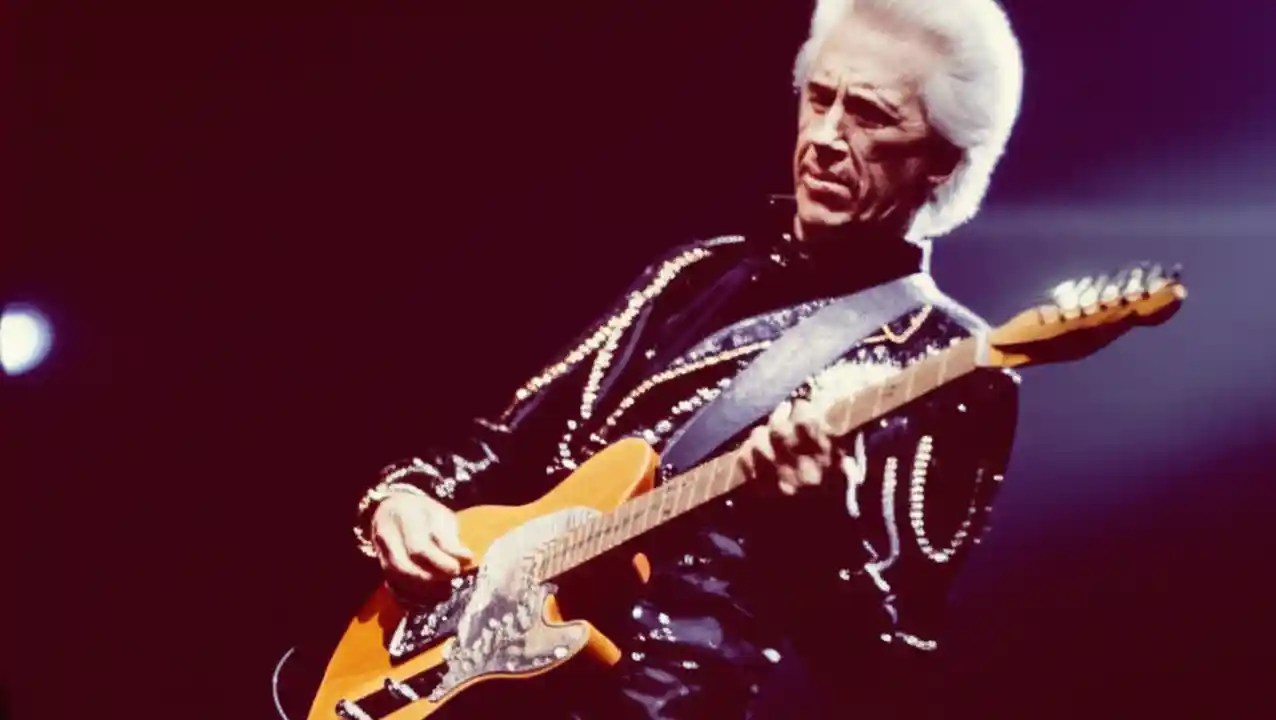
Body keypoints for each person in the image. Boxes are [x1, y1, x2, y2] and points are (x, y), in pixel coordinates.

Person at [354, 0, 1024, 717]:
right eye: (820, 97)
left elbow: (889, 681)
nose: (827, 135)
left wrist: (816, 529)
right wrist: (404, 500)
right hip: (481, 680)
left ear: (944, 158)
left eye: (870, 115)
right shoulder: (694, 275)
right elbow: (506, 444)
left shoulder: (953, 365)